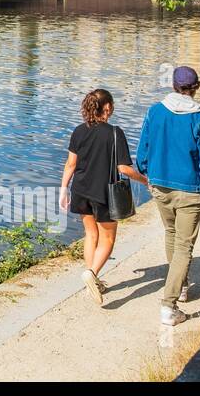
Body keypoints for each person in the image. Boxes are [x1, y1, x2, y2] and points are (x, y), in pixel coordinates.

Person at [136, 66, 200, 326]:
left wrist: (147, 172)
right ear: (196, 86)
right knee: (184, 244)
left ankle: (181, 285)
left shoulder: (155, 111)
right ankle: (169, 305)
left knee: (171, 234)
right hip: (191, 190)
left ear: (173, 85)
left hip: (160, 187)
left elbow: (142, 151)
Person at [60, 88, 149, 306]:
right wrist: (146, 180)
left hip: (80, 190)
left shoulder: (78, 131)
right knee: (108, 239)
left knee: (91, 235)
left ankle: (92, 278)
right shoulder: (115, 133)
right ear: (107, 108)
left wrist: (63, 189)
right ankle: (91, 273)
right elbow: (123, 169)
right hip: (103, 193)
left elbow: (71, 164)